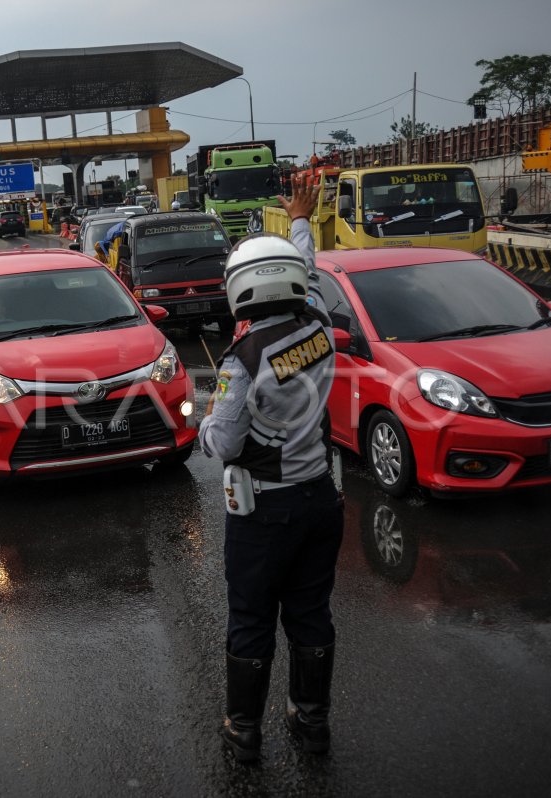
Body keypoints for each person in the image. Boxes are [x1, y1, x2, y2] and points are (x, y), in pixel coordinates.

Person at [199, 175, 344, 763]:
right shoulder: (320, 326)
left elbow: (226, 444)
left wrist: (205, 421)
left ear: (240, 292)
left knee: (252, 619)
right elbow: (305, 272)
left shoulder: (243, 360)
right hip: (320, 500)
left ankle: (244, 731)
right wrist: (302, 221)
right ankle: (312, 725)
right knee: (310, 614)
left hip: (266, 514)